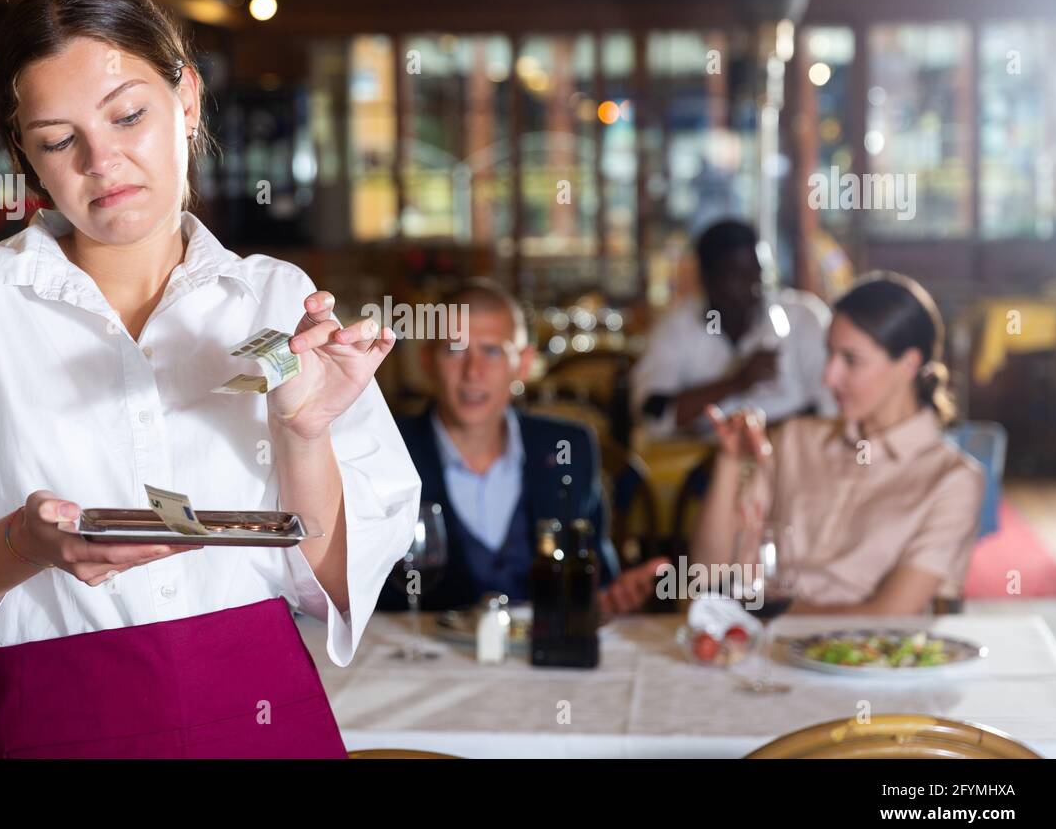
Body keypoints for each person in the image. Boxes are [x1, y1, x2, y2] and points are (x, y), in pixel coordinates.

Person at [0, 0, 421, 758]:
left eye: (128, 114)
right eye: (60, 141)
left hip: (262, 707)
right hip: (61, 717)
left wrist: (304, 433)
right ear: (27, 158)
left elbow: (338, 585)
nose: (103, 162)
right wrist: (22, 546)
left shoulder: (276, 299)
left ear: (189, 100)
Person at [690, 272, 984, 614]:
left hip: (865, 661)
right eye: (829, 355)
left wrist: (766, 614)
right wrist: (729, 461)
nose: (828, 378)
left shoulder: (951, 480)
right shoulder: (796, 440)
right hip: (761, 651)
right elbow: (708, 574)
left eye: (851, 360)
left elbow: (886, 617)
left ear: (908, 364)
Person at [385, 279, 665, 617]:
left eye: (492, 351)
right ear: (428, 361)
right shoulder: (387, 450)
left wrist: (608, 599)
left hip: (540, 664)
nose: (473, 372)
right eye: (454, 350)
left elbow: (596, 581)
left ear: (523, 363)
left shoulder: (568, 448)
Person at [634, 219, 836, 441]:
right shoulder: (675, 328)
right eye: (737, 275)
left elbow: (829, 407)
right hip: (704, 460)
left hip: (789, 453)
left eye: (756, 273)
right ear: (706, 279)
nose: (753, 285)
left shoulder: (802, 318)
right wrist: (737, 381)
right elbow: (655, 416)